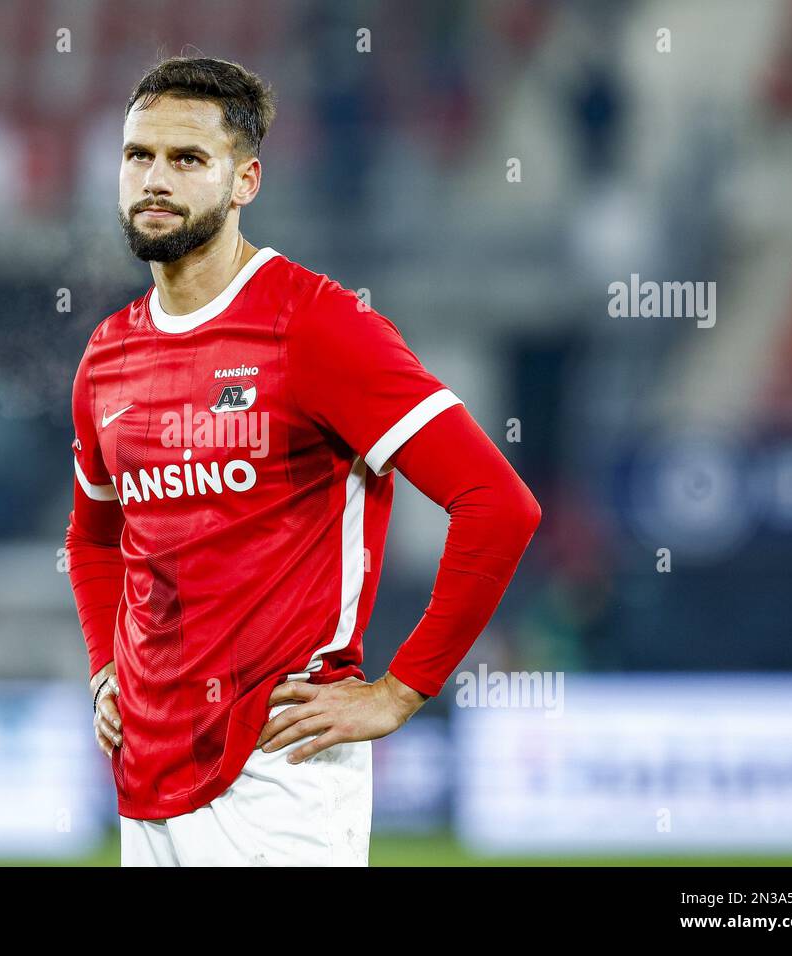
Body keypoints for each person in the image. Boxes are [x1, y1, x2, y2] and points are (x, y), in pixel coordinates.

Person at [65, 56, 541, 866]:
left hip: (279, 771)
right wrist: (107, 670)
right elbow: (94, 541)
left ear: (244, 180)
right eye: (138, 155)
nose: (155, 178)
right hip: (145, 773)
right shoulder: (108, 355)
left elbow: (498, 504)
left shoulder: (317, 327)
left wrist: (401, 691)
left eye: (187, 160)